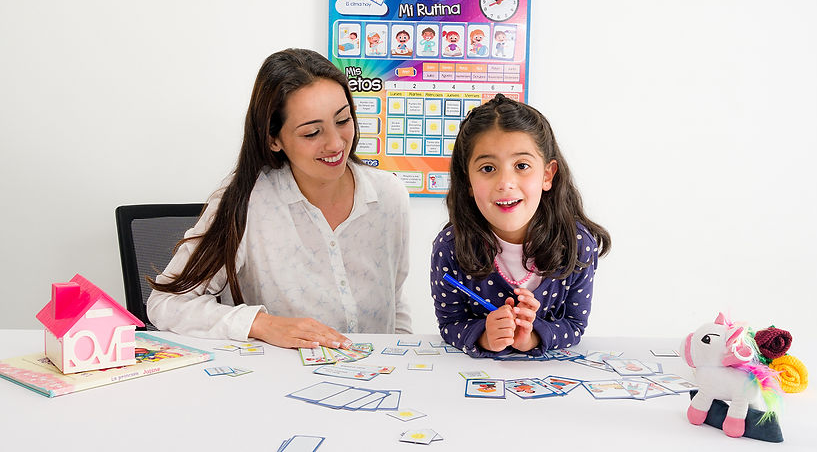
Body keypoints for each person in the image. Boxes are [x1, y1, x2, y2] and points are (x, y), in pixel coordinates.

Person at [148, 48, 412, 349]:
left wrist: (400, 358)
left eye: (342, 120)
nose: (336, 143)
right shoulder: (245, 202)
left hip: (377, 376)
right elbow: (167, 302)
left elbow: (396, 302)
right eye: (312, 133)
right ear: (273, 139)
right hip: (281, 385)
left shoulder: (389, 195)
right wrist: (263, 324)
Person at [430, 94, 610, 358]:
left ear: (547, 175)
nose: (505, 182)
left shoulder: (578, 244)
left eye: (522, 166)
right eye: (488, 168)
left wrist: (533, 337)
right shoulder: (451, 248)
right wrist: (485, 336)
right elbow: (450, 324)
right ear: (468, 181)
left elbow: (574, 326)